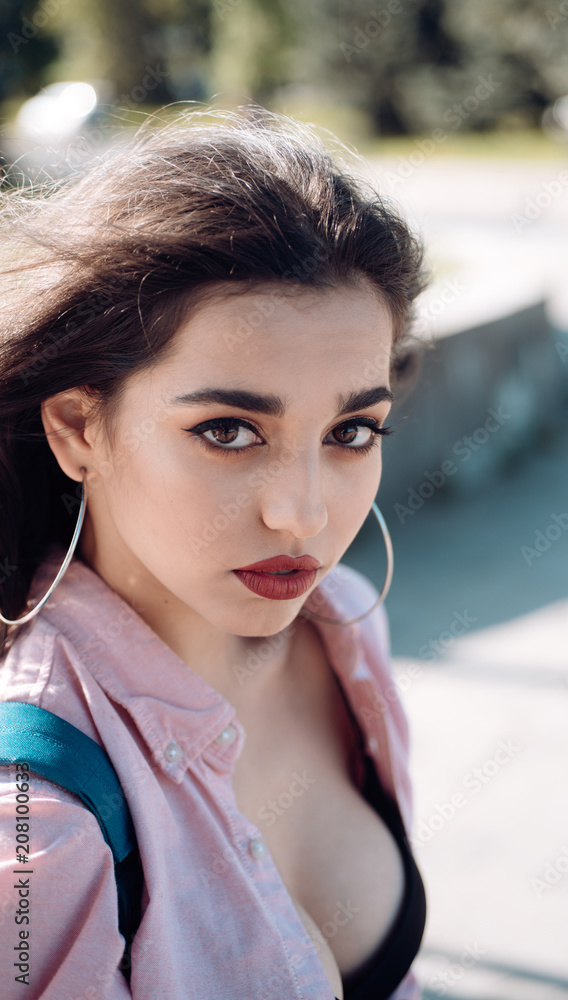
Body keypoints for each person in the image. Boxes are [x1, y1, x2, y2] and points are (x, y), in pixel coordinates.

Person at [0, 109, 428, 999]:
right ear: (78, 427)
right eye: (228, 430)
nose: (301, 513)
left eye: (351, 430)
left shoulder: (344, 626)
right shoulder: (36, 822)